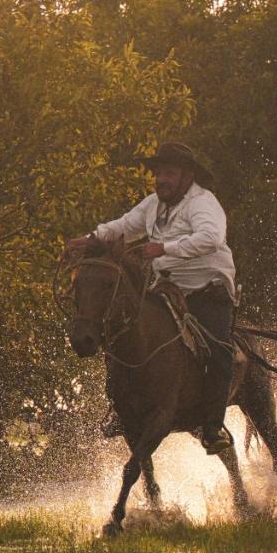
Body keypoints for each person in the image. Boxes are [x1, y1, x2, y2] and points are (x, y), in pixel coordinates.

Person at [65, 142, 238, 455]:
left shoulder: (203, 203)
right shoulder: (152, 205)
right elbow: (122, 227)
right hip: (166, 287)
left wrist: (165, 249)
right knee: (123, 332)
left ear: (187, 176)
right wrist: (89, 239)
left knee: (218, 350)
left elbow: (212, 238)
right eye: (158, 173)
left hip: (207, 290)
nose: (161, 180)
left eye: (169, 173)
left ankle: (213, 427)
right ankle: (122, 410)